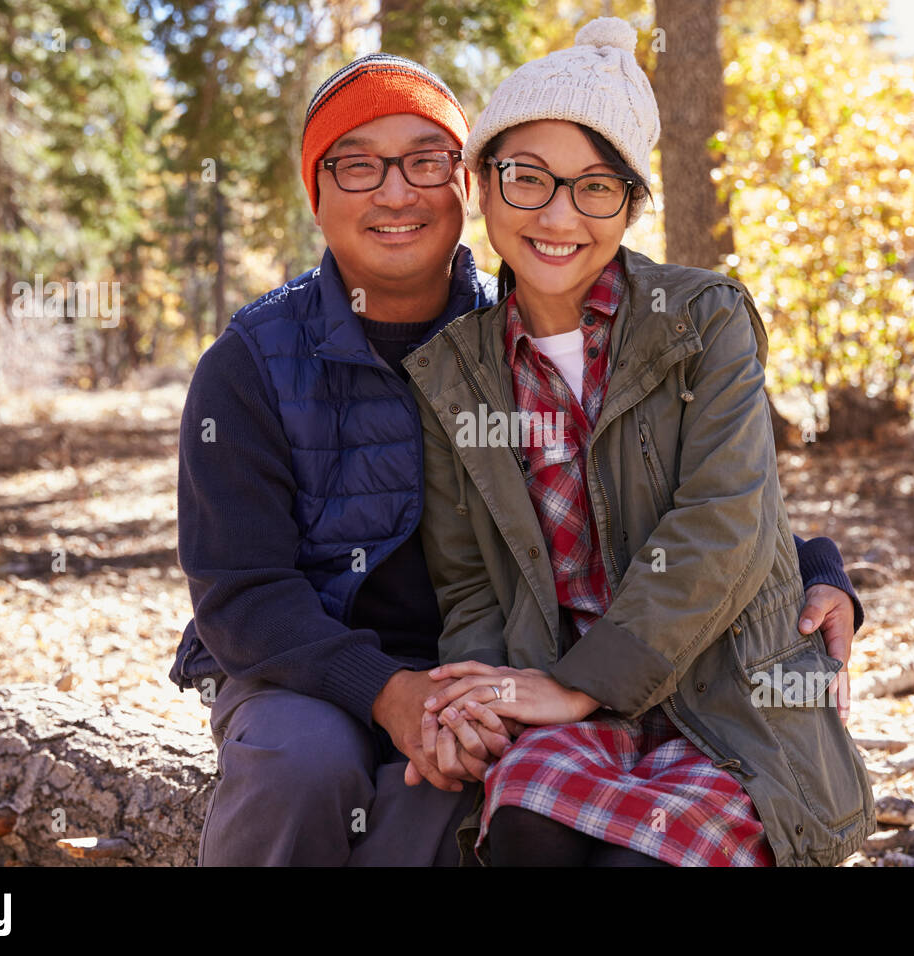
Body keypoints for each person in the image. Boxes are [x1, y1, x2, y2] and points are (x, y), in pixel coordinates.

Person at [170, 48, 864, 866]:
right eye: (357, 166)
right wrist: (390, 693)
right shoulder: (254, 361)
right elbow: (242, 591)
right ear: (314, 191)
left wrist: (815, 566)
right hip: (312, 670)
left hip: (484, 670)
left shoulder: (525, 310)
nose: (396, 191)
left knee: (457, 810)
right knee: (304, 766)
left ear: (464, 184)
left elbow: (674, 495)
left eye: (426, 161)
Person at [403, 18, 876, 866]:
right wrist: (477, 700)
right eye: (527, 178)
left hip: (732, 693)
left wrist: (578, 686)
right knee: (524, 834)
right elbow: (469, 583)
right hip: (563, 692)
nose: (559, 216)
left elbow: (723, 522)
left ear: (629, 204)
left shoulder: (703, 321)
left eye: (596, 187)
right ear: (479, 184)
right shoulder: (454, 373)